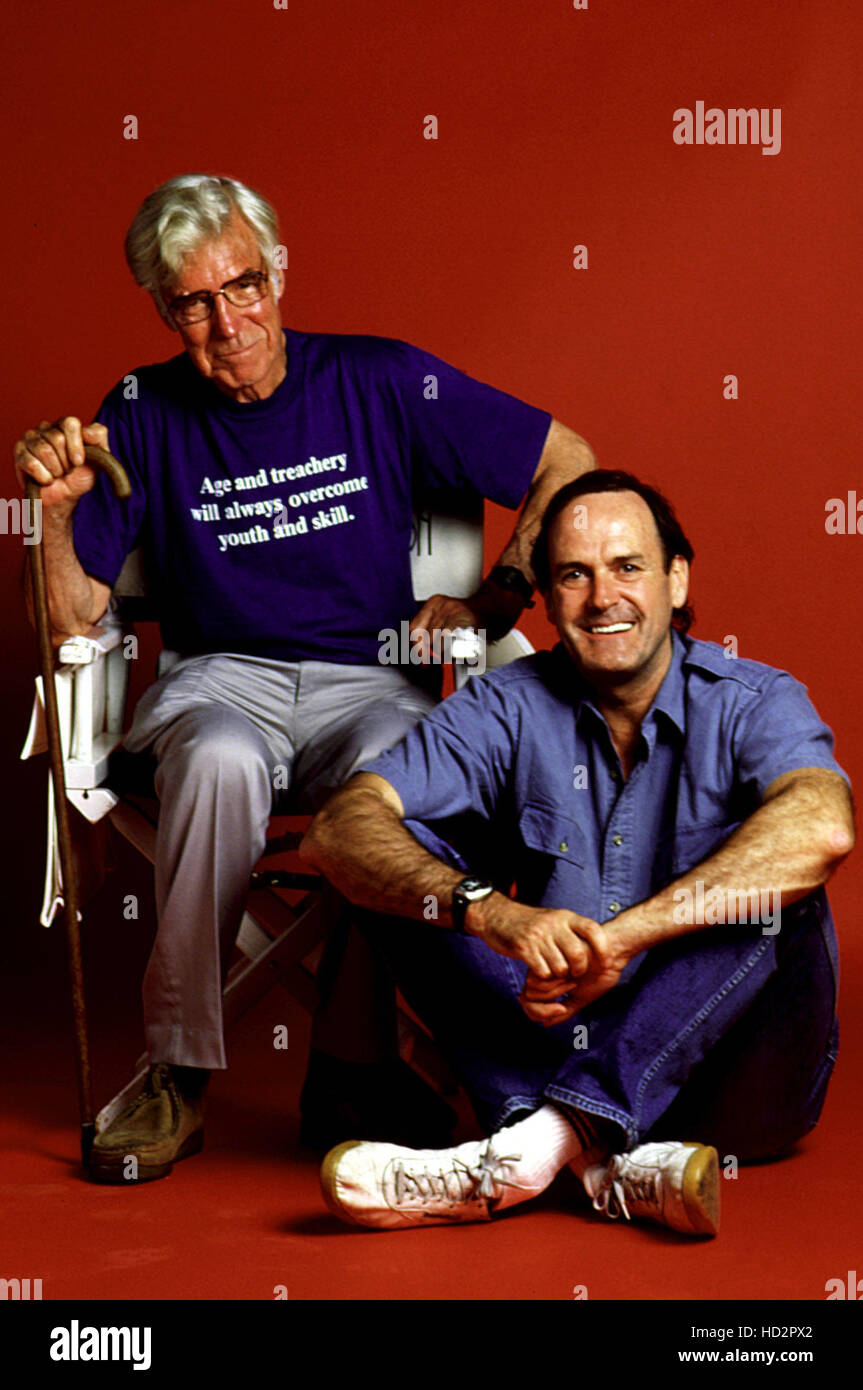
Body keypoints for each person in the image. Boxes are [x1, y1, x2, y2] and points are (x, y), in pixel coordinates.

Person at [14, 174, 596, 1182]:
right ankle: (178, 1070)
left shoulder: (378, 379)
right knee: (220, 761)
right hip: (216, 680)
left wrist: (494, 604)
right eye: (194, 302)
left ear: (277, 273)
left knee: (395, 774)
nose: (227, 323)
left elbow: (568, 461)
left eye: (243, 286)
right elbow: (69, 624)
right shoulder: (143, 409)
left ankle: (349, 1067)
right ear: (162, 310)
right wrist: (57, 511)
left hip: (367, 679)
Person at [299, 469, 855, 1237]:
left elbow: (822, 828)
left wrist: (630, 937)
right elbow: (337, 829)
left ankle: (530, 1148)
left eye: (627, 567)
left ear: (675, 578)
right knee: (399, 866)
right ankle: (593, 1154)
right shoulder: (506, 703)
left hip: (736, 1088)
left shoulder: (754, 700)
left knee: (762, 868)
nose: (602, 598)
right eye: (573, 574)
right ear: (548, 593)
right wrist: (490, 914)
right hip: (558, 1038)